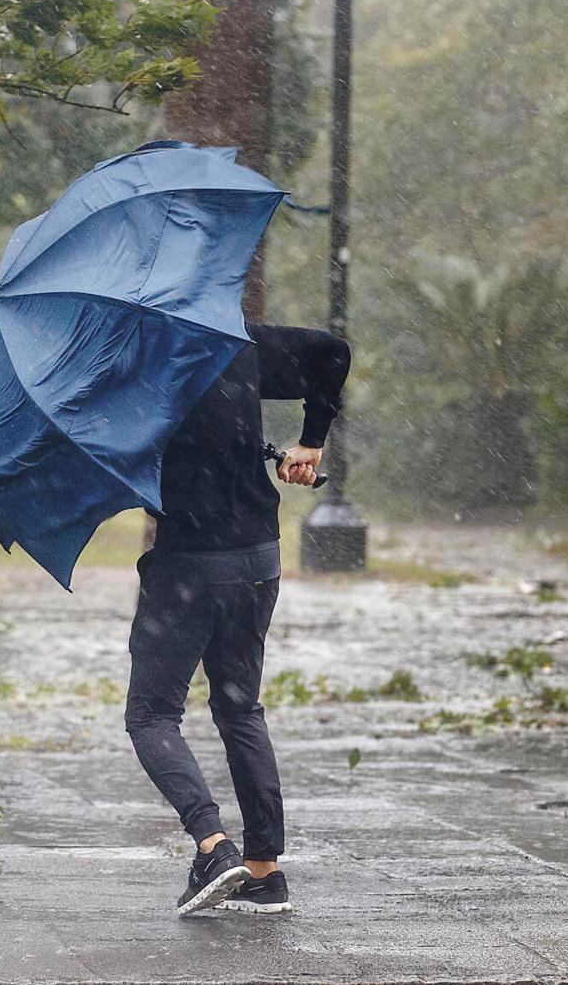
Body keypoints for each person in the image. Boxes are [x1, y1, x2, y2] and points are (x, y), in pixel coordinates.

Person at [123, 323, 350, 915]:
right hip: (256, 557)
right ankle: (263, 871)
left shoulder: (133, 356)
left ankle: (212, 846)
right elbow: (332, 353)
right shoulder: (231, 338)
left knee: (150, 715)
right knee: (240, 707)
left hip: (187, 568)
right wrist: (310, 440)